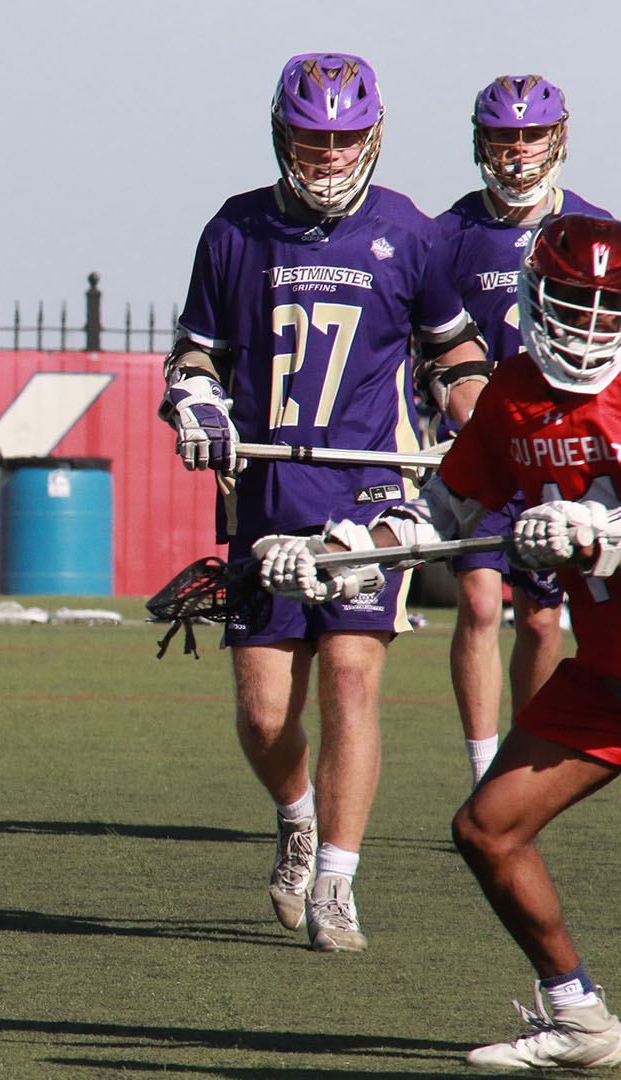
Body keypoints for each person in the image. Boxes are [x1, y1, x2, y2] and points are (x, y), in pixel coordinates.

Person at [257, 213, 621, 1068]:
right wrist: (341, 552)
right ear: (533, 297)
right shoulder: (514, 391)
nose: (590, 325)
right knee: (489, 830)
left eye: (608, 307)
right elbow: (442, 515)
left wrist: (595, 529)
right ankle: (582, 1022)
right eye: (574, 302)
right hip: (607, 671)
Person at [160, 54, 488, 952]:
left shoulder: (409, 231)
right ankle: (297, 819)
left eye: (345, 139)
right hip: (266, 494)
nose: (332, 155)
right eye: (314, 138)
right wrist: (196, 400)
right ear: (283, 135)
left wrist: (480, 422)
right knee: (265, 714)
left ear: (372, 136)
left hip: (369, 494)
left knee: (351, 676)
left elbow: (453, 352)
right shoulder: (235, 229)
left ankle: (338, 880)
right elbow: (194, 353)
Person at [428, 75, 605, 788]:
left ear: (558, 138)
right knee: (477, 601)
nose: (518, 149)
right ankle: (482, 769)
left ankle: (521, 766)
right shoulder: (446, 235)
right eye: (504, 136)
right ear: (481, 141)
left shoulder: (593, 230)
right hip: (481, 446)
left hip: (555, 452)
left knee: (537, 619)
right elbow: (426, 340)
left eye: (531, 135)